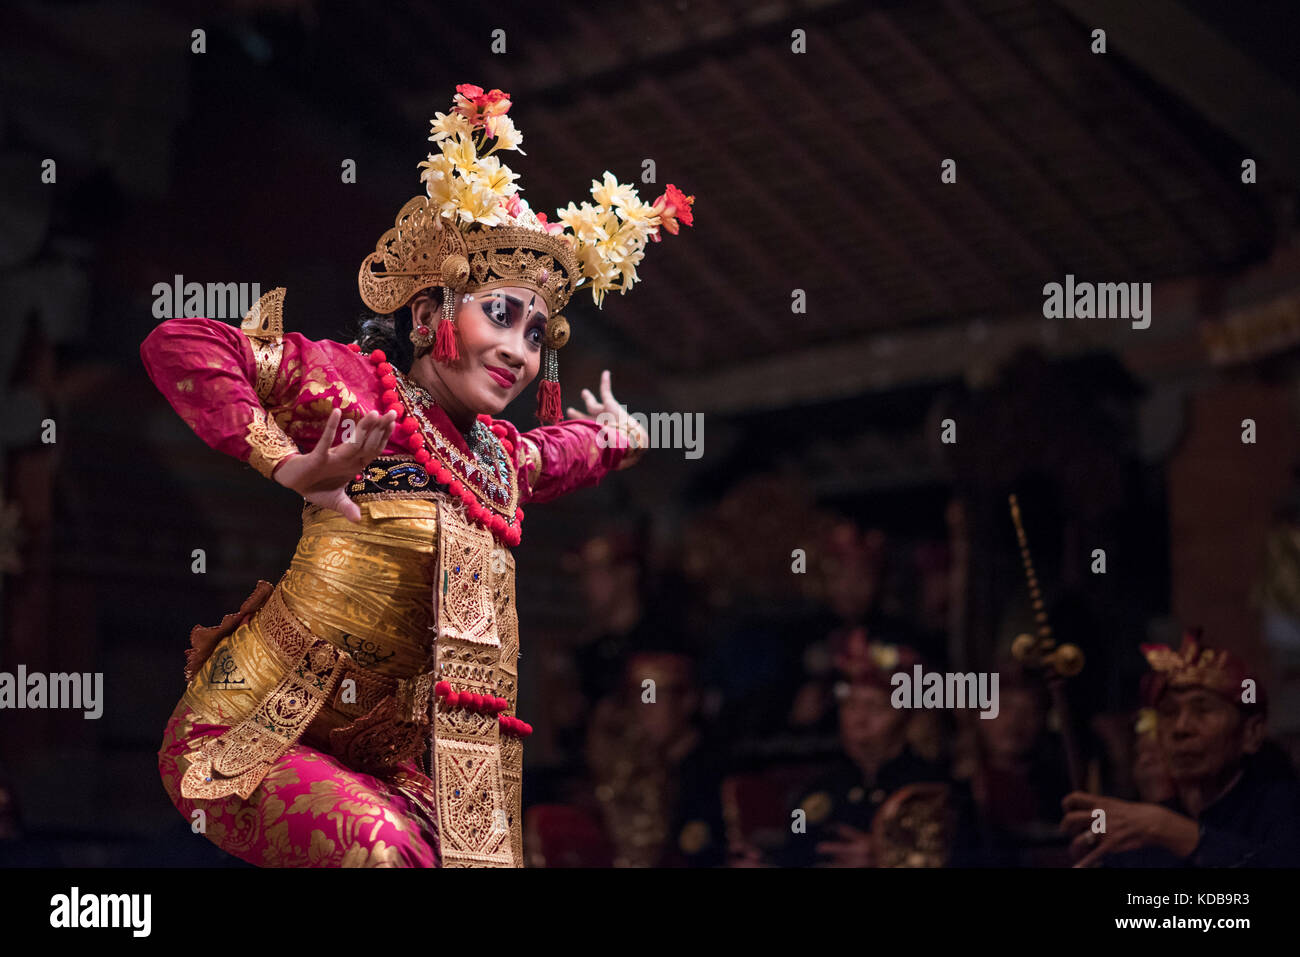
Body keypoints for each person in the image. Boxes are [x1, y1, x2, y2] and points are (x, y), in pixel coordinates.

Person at [140, 83, 692, 867]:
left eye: (536, 335)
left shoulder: (502, 459)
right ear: (432, 317)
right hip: (252, 727)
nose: (519, 352)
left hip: (393, 768)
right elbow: (184, 343)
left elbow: (566, 449)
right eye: (499, 316)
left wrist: (617, 438)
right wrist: (288, 462)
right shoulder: (356, 390)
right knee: (384, 852)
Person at [1060, 628, 1300, 867]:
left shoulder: (1284, 810)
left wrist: (1173, 831)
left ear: (1251, 733)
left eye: (1203, 710)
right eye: (1168, 712)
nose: (1180, 728)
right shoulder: (1142, 830)